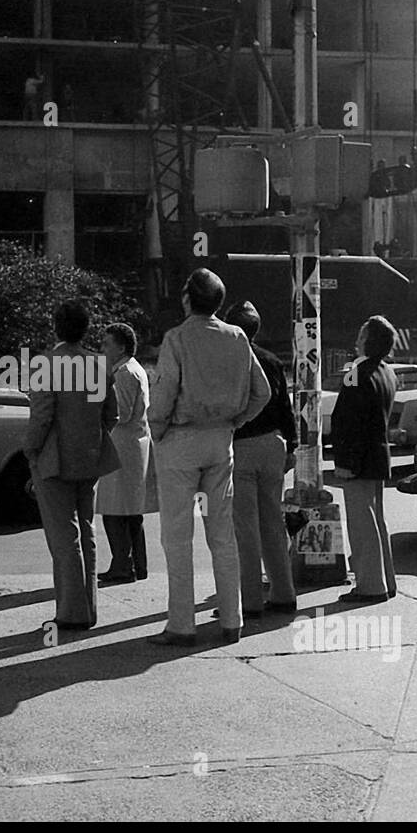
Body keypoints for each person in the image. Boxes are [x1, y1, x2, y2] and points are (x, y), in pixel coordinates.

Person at [147, 269, 271, 647]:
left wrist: (158, 429)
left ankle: (181, 625)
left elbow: (165, 392)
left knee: (178, 535)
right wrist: (236, 419)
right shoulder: (237, 337)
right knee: (222, 534)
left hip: (182, 441)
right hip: (221, 441)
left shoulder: (177, 338)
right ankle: (232, 621)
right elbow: (261, 392)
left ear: (188, 299)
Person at [25, 301, 120, 630]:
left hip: (54, 459)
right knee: (86, 531)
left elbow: (41, 417)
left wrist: (30, 451)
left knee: (63, 537)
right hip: (89, 457)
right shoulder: (99, 364)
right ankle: (88, 608)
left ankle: (71, 611)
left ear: (56, 327)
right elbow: (112, 415)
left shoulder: (45, 365)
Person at [224, 301, 298, 616]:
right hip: (273, 446)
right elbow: (285, 406)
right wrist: (291, 445)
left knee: (245, 528)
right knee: (272, 523)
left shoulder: (228, 361)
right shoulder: (271, 360)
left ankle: (250, 601)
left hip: (241, 447)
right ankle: (284, 593)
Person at [331, 315, 398, 603]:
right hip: (379, 454)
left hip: (357, 457)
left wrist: (344, 461)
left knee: (361, 524)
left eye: (361, 334)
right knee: (377, 521)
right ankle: (386, 579)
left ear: (367, 341)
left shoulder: (355, 372)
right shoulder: (387, 372)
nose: (356, 340)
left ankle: (370, 585)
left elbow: (345, 419)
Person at [96, 323, 151, 585]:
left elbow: (123, 413)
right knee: (129, 511)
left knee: (115, 511)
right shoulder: (130, 369)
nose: (102, 349)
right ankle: (136, 565)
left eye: (107, 344)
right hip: (130, 446)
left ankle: (122, 565)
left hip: (122, 446)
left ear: (120, 346)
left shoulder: (124, 373)